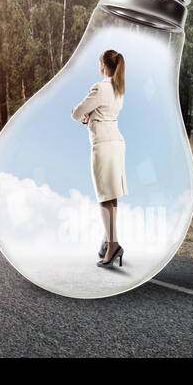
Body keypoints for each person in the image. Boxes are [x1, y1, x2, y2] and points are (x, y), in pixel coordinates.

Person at [70, 50, 127, 268]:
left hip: (102, 144)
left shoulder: (100, 87)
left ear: (103, 65)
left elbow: (77, 112)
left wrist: (82, 116)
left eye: (99, 63)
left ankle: (113, 245)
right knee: (112, 195)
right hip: (116, 143)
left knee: (104, 196)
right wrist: (91, 117)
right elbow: (103, 114)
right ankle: (106, 240)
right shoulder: (118, 88)